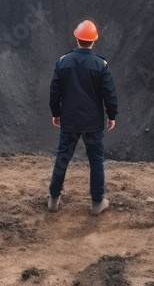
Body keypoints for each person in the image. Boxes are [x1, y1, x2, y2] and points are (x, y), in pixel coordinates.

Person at [48, 20, 118, 216]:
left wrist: (56, 113)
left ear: (77, 39)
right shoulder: (101, 65)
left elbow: (55, 91)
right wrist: (111, 115)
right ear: (93, 41)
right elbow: (109, 93)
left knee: (63, 158)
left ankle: (53, 199)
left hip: (69, 121)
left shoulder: (62, 62)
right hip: (93, 123)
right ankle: (97, 203)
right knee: (96, 160)